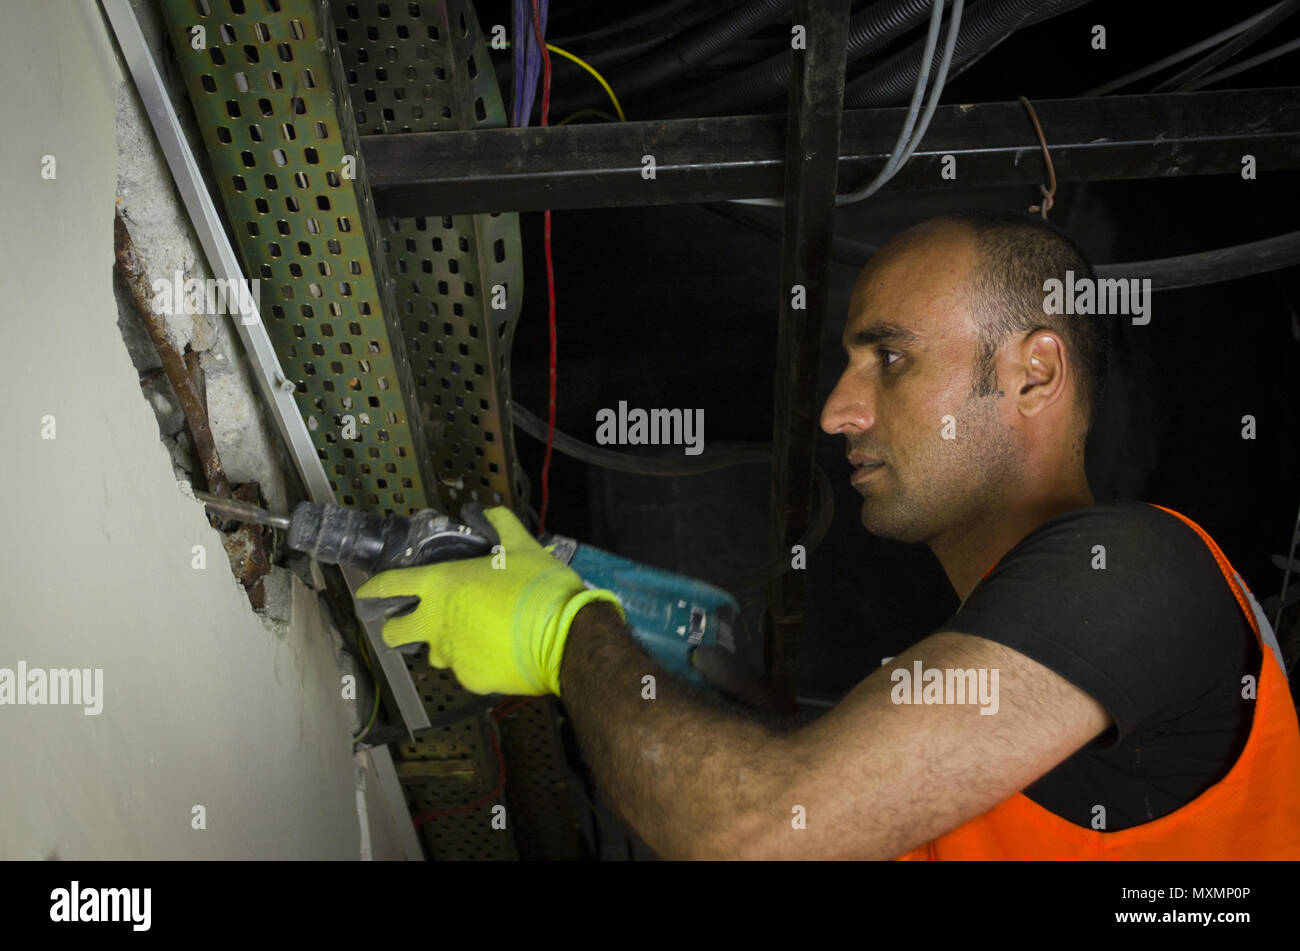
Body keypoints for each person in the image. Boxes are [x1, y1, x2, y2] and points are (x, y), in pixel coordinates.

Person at [358, 210, 1300, 859]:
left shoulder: (1138, 569)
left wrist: (566, 632)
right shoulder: (986, 726)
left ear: (1034, 373)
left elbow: (761, 832)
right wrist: (714, 698)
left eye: (889, 358)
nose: (840, 411)